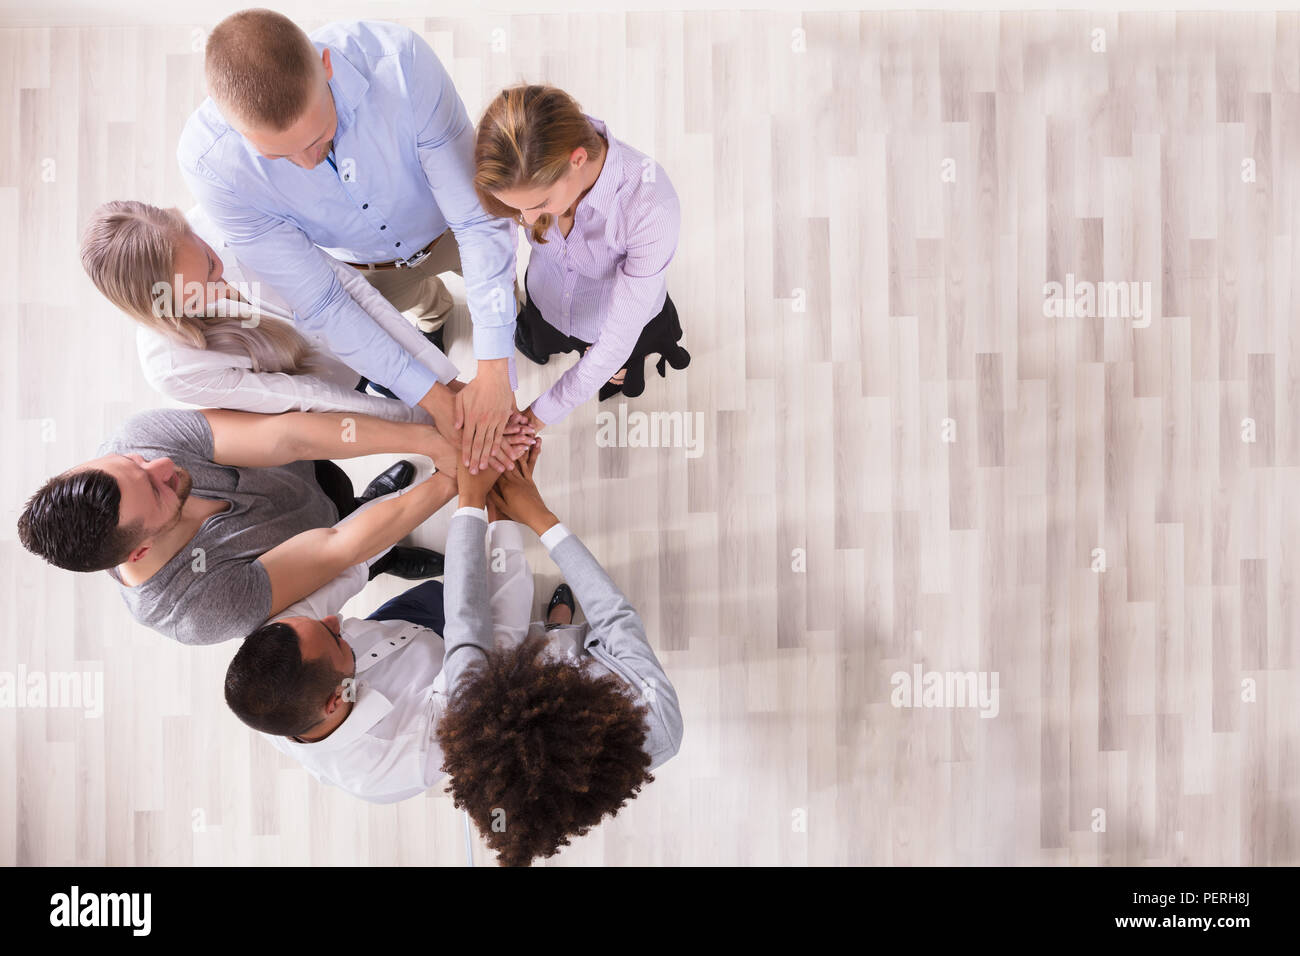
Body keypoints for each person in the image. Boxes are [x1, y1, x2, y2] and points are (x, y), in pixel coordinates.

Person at [179, 11, 523, 475]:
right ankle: (436, 315)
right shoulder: (213, 168)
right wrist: (433, 397)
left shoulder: (399, 62)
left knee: (506, 304)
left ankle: (512, 319)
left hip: (450, 232)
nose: (305, 162)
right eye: (279, 155)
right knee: (420, 306)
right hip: (368, 268)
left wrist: (495, 367)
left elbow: (477, 222)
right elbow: (322, 300)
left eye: (319, 136)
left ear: (326, 66)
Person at [12, 405, 509, 645]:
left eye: (135, 461)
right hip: (324, 543)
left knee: (345, 499)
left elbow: (285, 437)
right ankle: (388, 553)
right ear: (137, 552)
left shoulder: (137, 439)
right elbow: (336, 548)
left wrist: (427, 439)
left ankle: (372, 504)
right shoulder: (197, 609)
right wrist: (454, 481)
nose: (161, 465)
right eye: (158, 490)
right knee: (364, 553)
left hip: (306, 478)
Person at [437, 441, 683, 865]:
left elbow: (467, 621)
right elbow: (614, 617)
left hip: (506, 651)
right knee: (555, 623)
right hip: (579, 651)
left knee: (501, 594)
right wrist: (539, 515)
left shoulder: (474, 721)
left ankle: (552, 622)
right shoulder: (656, 721)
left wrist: (474, 497)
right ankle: (560, 625)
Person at [80, 200, 462, 425]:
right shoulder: (173, 367)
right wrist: (418, 418)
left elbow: (347, 290)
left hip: (355, 324)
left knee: (406, 337)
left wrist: (443, 384)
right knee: (377, 390)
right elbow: (306, 396)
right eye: (200, 295)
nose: (222, 285)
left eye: (211, 263)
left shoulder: (230, 217)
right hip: (331, 382)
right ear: (164, 308)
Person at [473, 84, 689, 431]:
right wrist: (497, 374)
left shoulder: (651, 208)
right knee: (537, 340)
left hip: (607, 326)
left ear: (577, 160)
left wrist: (537, 417)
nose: (527, 221)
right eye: (519, 208)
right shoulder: (524, 168)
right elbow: (496, 257)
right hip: (545, 299)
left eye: (540, 204)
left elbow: (618, 338)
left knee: (614, 365)